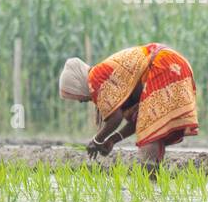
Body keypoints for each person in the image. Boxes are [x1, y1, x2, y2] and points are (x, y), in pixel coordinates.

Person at [58, 43, 198, 176]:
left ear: (78, 84)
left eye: (76, 96)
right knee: (150, 127)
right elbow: (137, 121)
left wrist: (96, 140)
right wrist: (112, 140)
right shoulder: (114, 85)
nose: (81, 101)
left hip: (164, 65)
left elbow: (116, 118)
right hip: (176, 64)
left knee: (149, 131)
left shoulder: (95, 79)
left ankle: (150, 185)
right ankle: (153, 183)